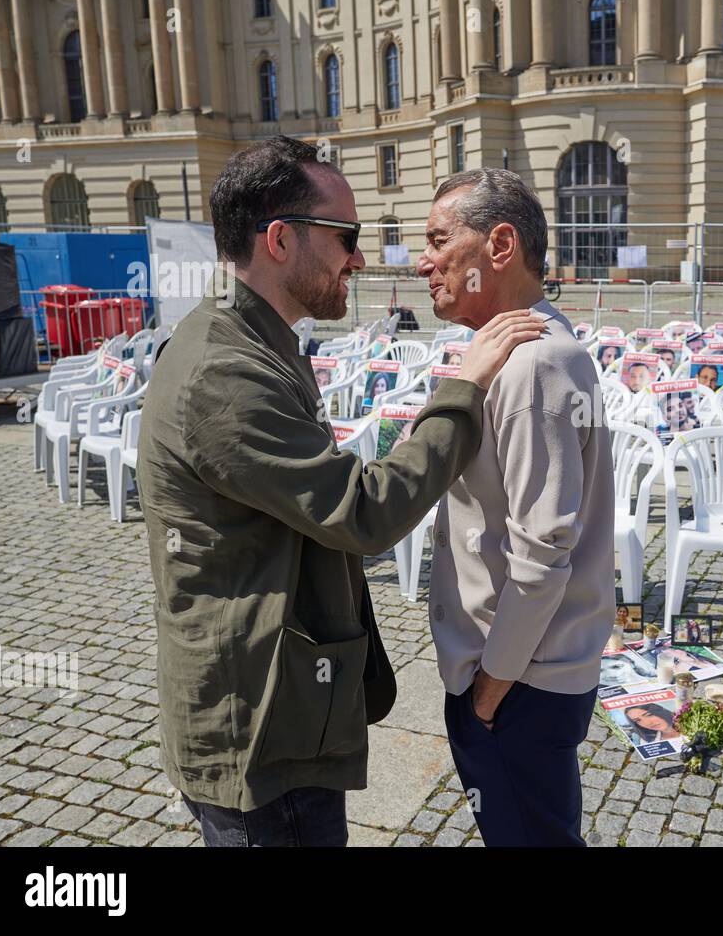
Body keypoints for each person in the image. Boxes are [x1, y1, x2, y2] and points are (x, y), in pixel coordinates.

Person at [137, 136, 544, 848]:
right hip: (264, 735)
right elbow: (361, 512)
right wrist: (465, 386)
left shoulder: (257, 342)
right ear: (281, 239)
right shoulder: (225, 371)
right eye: (346, 237)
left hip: (284, 705)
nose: (358, 258)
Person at [417, 167, 616, 847]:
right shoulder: (528, 348)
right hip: (523, 672)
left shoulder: (533, 362)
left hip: (517, 680)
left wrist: (490, 690)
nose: (424, 261)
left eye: (440, 239)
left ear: (500, 247)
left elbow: (542, 548)